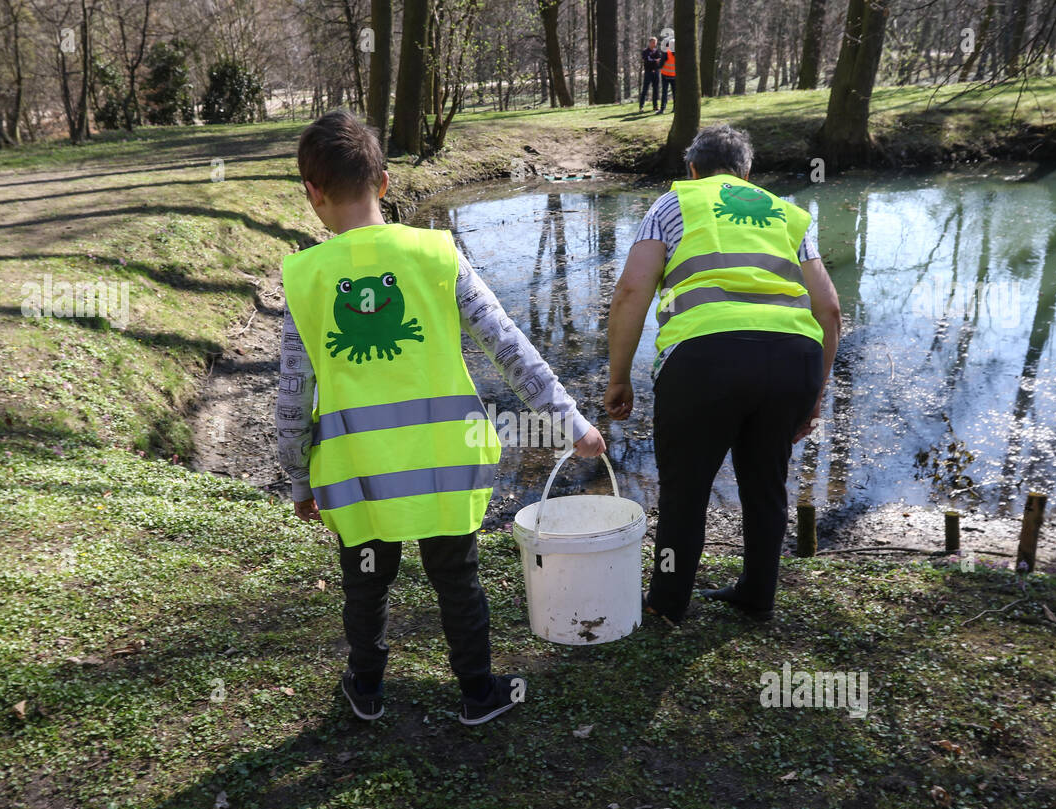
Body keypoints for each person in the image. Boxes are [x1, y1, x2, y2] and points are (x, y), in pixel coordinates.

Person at [278, 110, 606, 725]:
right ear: (382, 184)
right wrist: (571, 422)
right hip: (444, 465)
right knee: (456, 576)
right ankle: (477, 692)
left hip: (357, 473)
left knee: (366, 579)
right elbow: (510, 349)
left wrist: (299, 477)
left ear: (313, 195)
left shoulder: (306, 277)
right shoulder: (435, 253)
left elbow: (294, 398)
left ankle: (368, 689)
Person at [603, 125, 842, 624]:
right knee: (765, 484)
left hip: (704, 361)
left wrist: (619, 377)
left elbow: (630, 293)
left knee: (685, 489)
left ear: (692, 169)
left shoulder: (674, 204)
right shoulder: (790, 213)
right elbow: (830, 311)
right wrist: (815, 395)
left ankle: (667, 605)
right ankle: (758, 594)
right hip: (791, 361)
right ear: (747, 174)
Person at [639, 36, 665, 113]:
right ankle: (641, 106)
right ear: (649, 43)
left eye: (655, 42)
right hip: (648, 72)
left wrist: (655, 61)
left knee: (656, 89)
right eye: (653, 42)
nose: (654, 44)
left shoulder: (657, 51)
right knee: (645, 89)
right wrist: (654, 61)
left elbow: (659, 60)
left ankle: (655, 106)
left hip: (656, 72)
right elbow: (647, 60)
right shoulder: (645, 51)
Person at [658, 36, 676, 113]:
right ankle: (675, 108)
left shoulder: (666, 52)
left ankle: (662, 109)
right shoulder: (679, 53)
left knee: (664, 92)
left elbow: (660, 65)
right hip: (674, 75)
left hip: (665, 75)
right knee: (675, 92)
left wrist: (657, 64)